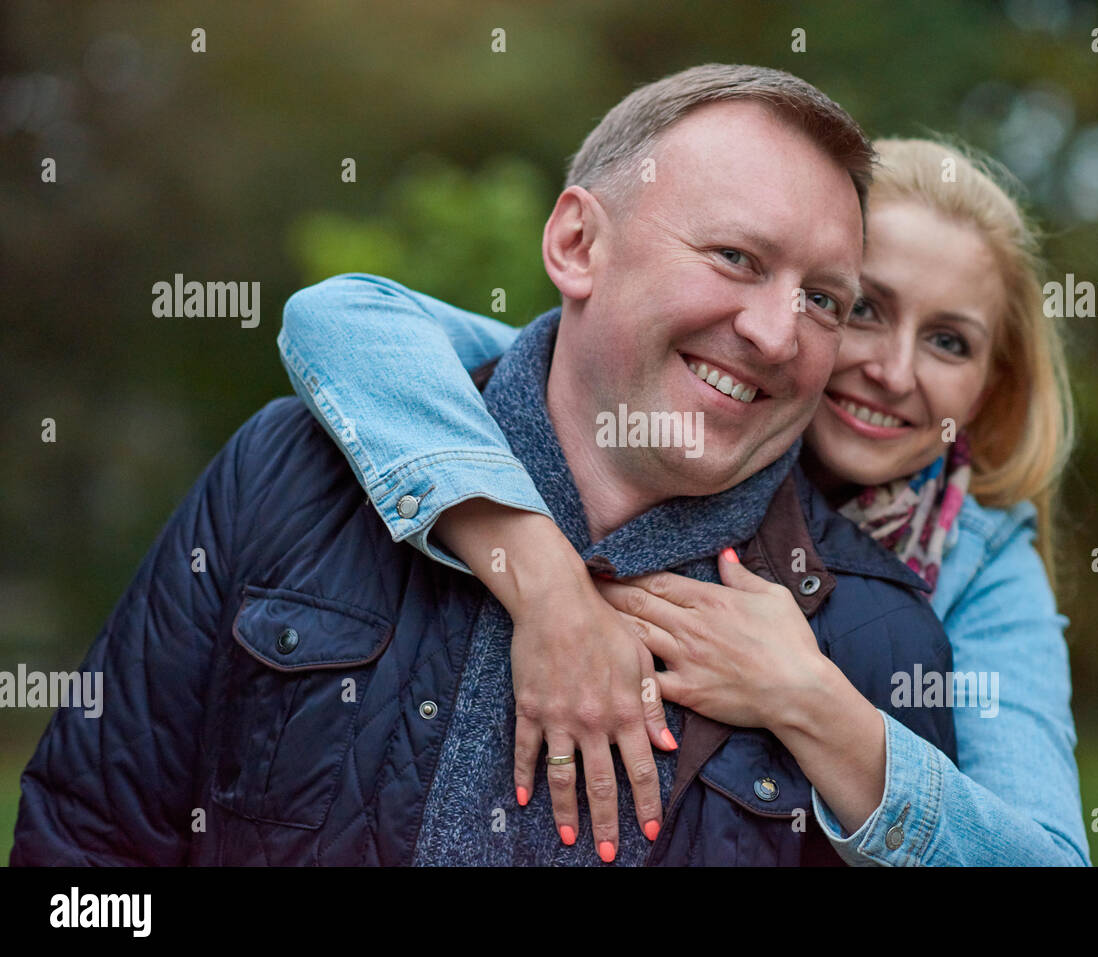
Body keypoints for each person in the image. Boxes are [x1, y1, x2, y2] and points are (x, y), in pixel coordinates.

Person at [12, 64, 959, 866]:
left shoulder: (871, 640)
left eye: (824, 300)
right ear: (578, 244)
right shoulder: (291, 472)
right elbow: (83, 847)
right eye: (736, 257)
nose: (776, 334)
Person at [276, 137, 1090, 865]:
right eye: (863, 310)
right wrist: (548, 584)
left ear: (991, 386)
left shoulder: (980, 562)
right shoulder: (660, 399)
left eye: (949, 341)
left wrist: (807, 696)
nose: (894, 370)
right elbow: (343, 318)